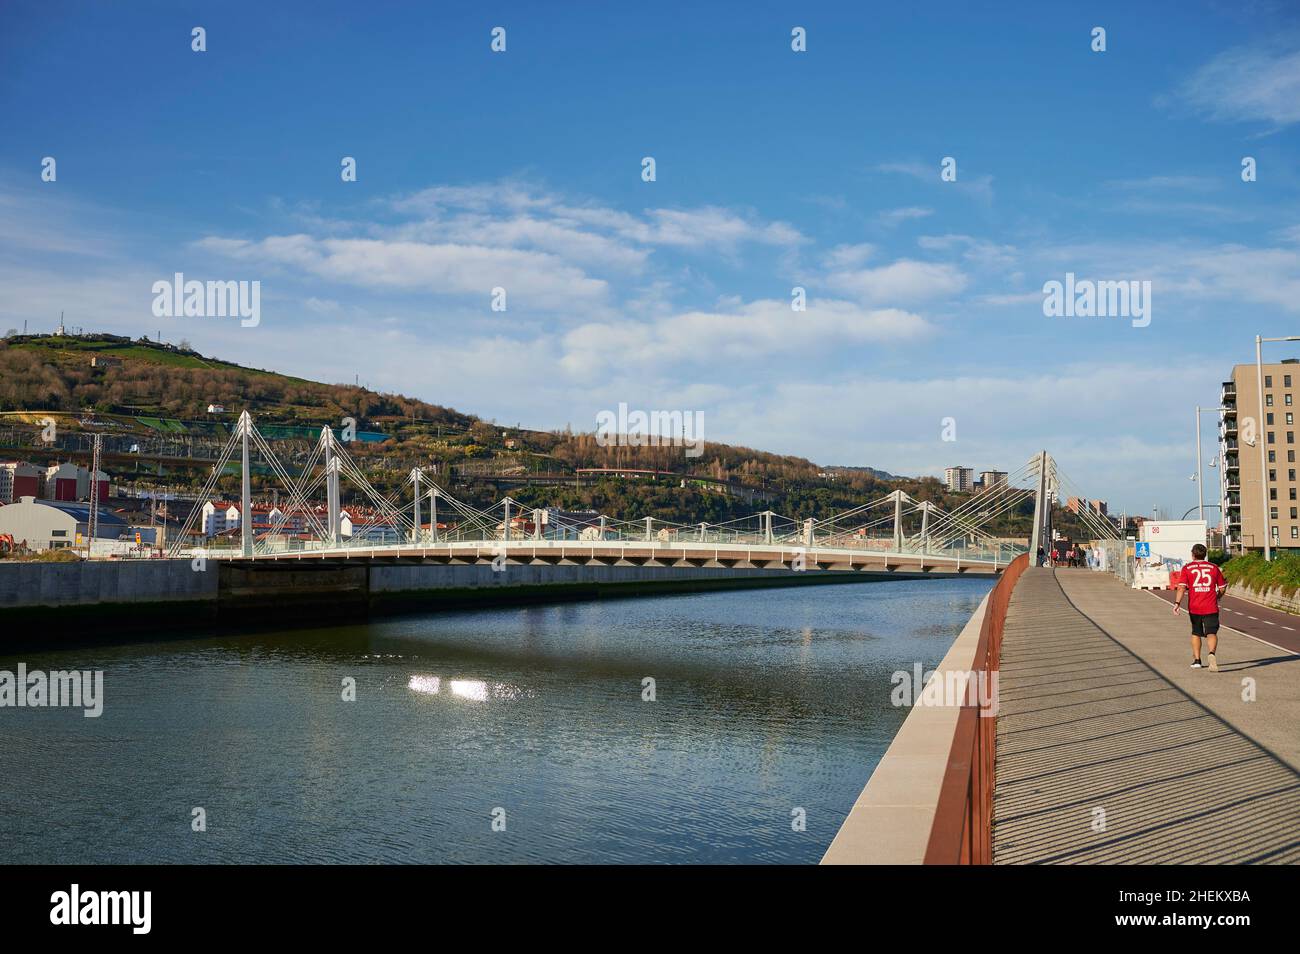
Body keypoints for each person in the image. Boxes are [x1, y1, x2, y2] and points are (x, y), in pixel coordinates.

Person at [1172, 544, 1227, 671]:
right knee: (1211, 632)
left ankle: (1197, 660)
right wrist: (1218, 596)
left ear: (1193, 555)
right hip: (1211, 606)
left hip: (1195, 606)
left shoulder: (1187, 568)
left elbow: (1181, 587)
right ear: (1205, 554)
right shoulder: (1214, 568)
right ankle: (1212, 654)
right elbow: (1223, 587)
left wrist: (1177, 603)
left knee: (1196, 632)